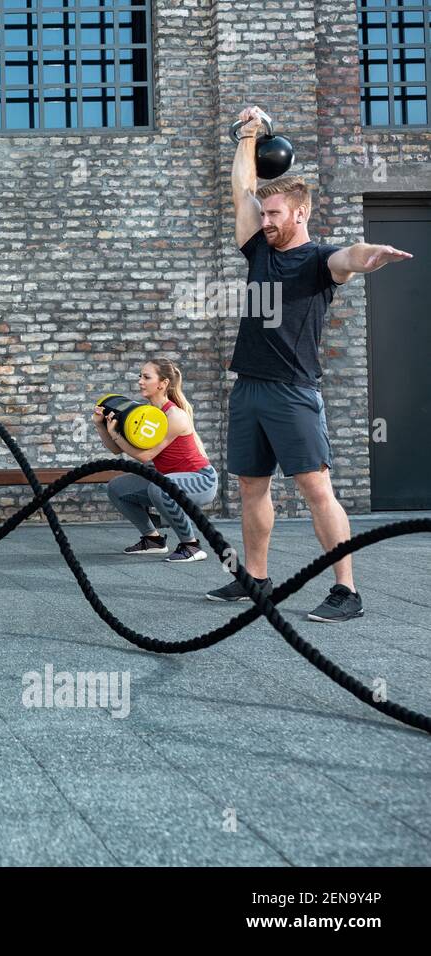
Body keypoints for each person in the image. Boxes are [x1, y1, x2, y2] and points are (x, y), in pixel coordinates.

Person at [208, 105, 414, 621]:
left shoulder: (319, 260)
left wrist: (369, 253)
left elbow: (349, 256)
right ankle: (255, 579)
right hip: (248, 387)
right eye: (264, 213)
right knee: (252, 487)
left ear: (300, 213)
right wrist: (249, 135)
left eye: (274, 214)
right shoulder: (258, 250)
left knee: (316, 487)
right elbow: (241, 189)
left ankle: (346, 589)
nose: (266, 220)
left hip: (292, 390)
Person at [99, 359, 219, 562]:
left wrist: (117, 435)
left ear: (162, 383)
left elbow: (145, 457)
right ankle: (152, 540)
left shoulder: (175, 415)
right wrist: (101, 426)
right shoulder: (146, 413)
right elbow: (116, 450)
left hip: (201, 480)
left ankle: (191, 546)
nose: (140, 381)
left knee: (160, 488)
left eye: (146, 377)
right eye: (140, 376)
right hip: (168, 479)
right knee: (116, 488)